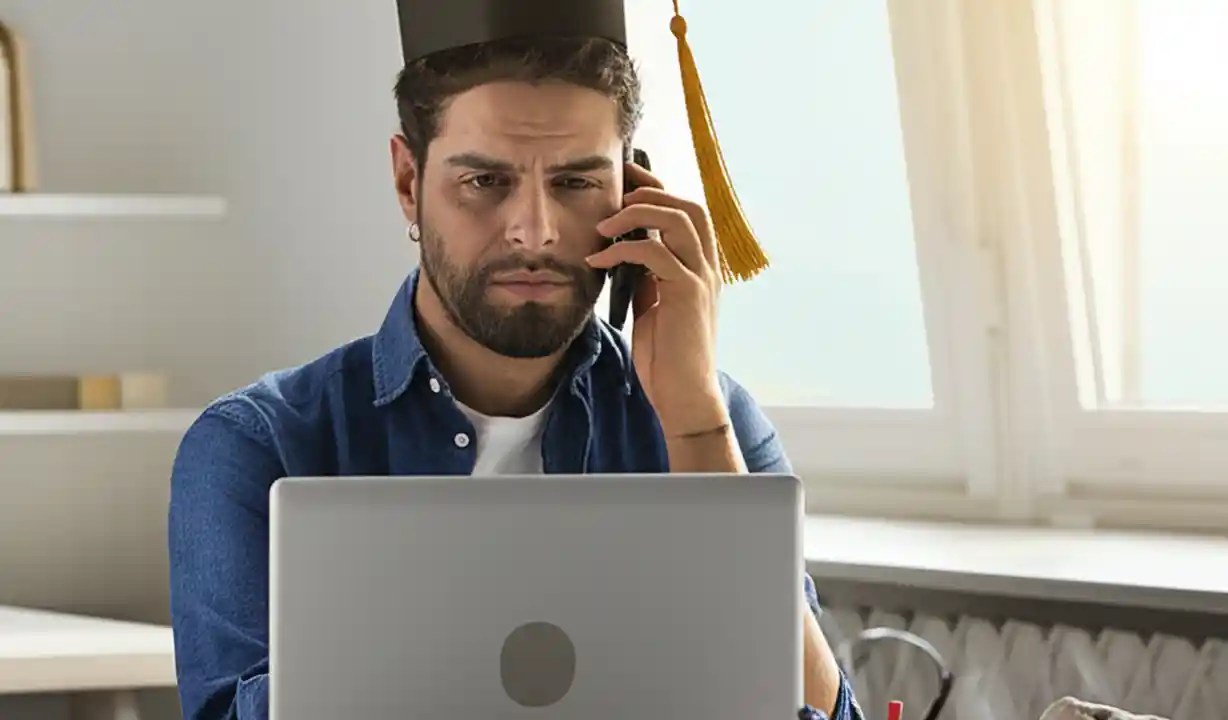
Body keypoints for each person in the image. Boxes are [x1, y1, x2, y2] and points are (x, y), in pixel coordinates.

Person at [167, 1, 863, 719]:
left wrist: (694, 425)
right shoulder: (258, 447)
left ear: (632, 188)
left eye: (576, 183)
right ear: (410, 182)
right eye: (485, 182)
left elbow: (818, 714)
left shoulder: (711, 422)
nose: (535, 231)